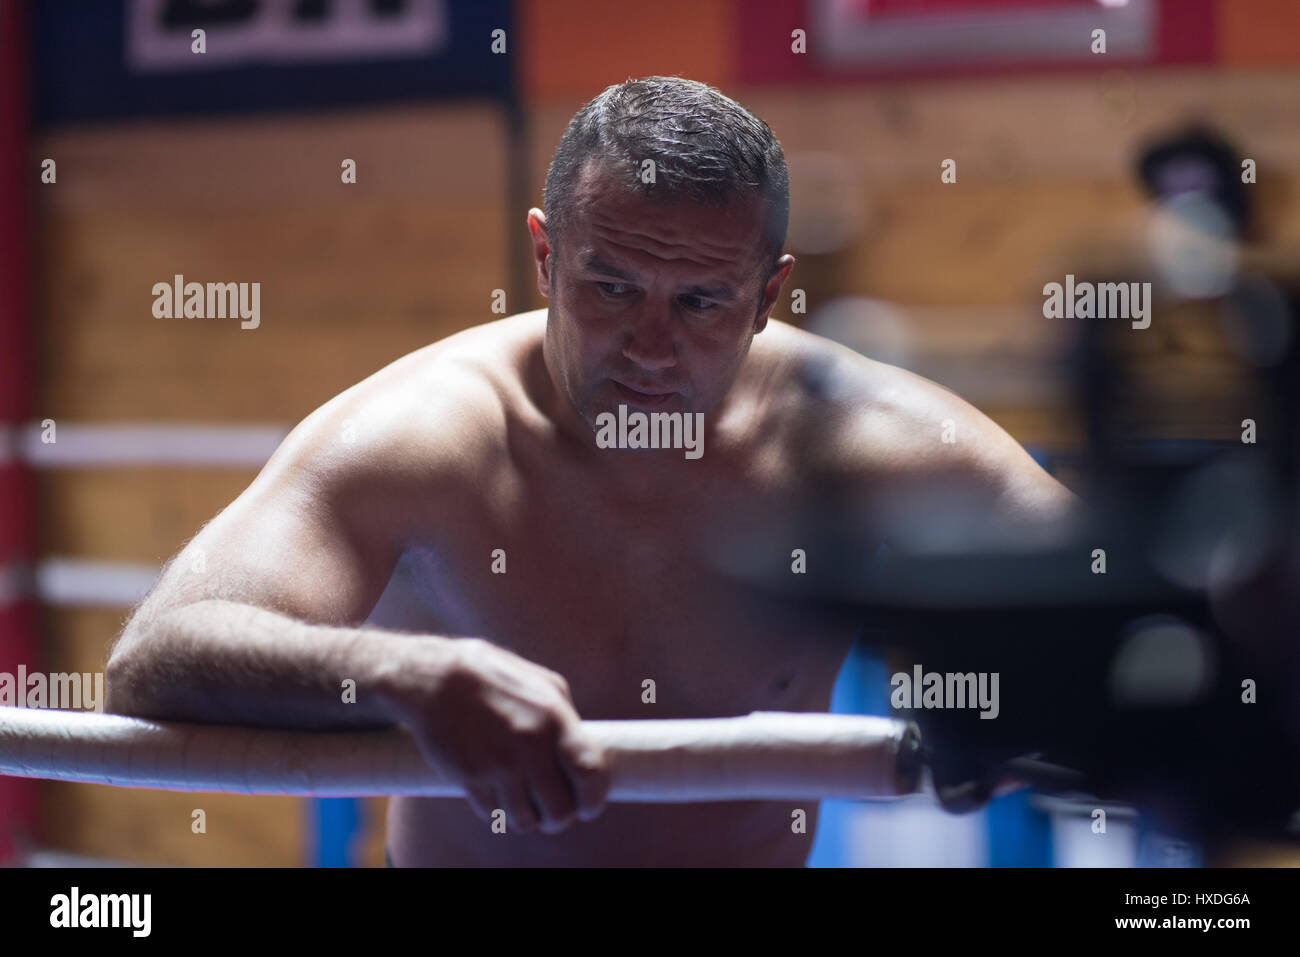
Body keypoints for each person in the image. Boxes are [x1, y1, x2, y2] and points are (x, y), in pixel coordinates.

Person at [106, 76, 1074, 866]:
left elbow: (1123, 604)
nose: (649, 346)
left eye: (700, 302)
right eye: (610, 287)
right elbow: (156, 657)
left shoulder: (859, 435)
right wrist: (401, 672)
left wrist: (1014, 693)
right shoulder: (426, 436)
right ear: (543, 255)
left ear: (769, 294)